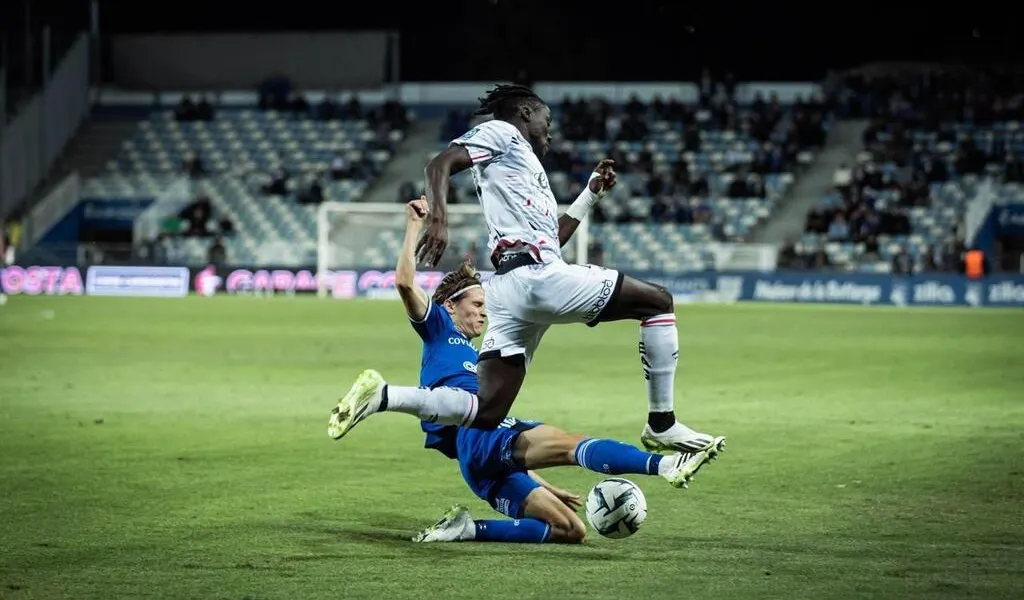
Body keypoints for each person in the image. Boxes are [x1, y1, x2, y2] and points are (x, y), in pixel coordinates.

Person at [329, 84, 722, 456]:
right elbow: (440, 163)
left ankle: (383, 396)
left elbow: (552, 237)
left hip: (512, 288)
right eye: (546, 122)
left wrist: (590, 195)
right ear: (526, 112)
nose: (548, 133)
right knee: (658, 302)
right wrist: (439, 220)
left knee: (486, 411)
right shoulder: (503, 133)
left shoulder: (522, 166)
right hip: (537, 279)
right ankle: (662, 422)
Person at [335, 198, 723, 544]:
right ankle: (665, 465)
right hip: (482, 434)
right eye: (477, 304)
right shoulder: (437, 326)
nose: (484, 313)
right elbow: (404, 282)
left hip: (477, 463)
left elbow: (544, 255)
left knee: (571, 529)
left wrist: (540, 481)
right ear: (451, 305)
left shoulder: (477, 352)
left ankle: (468, 529)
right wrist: (413, 226)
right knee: (572, 445)